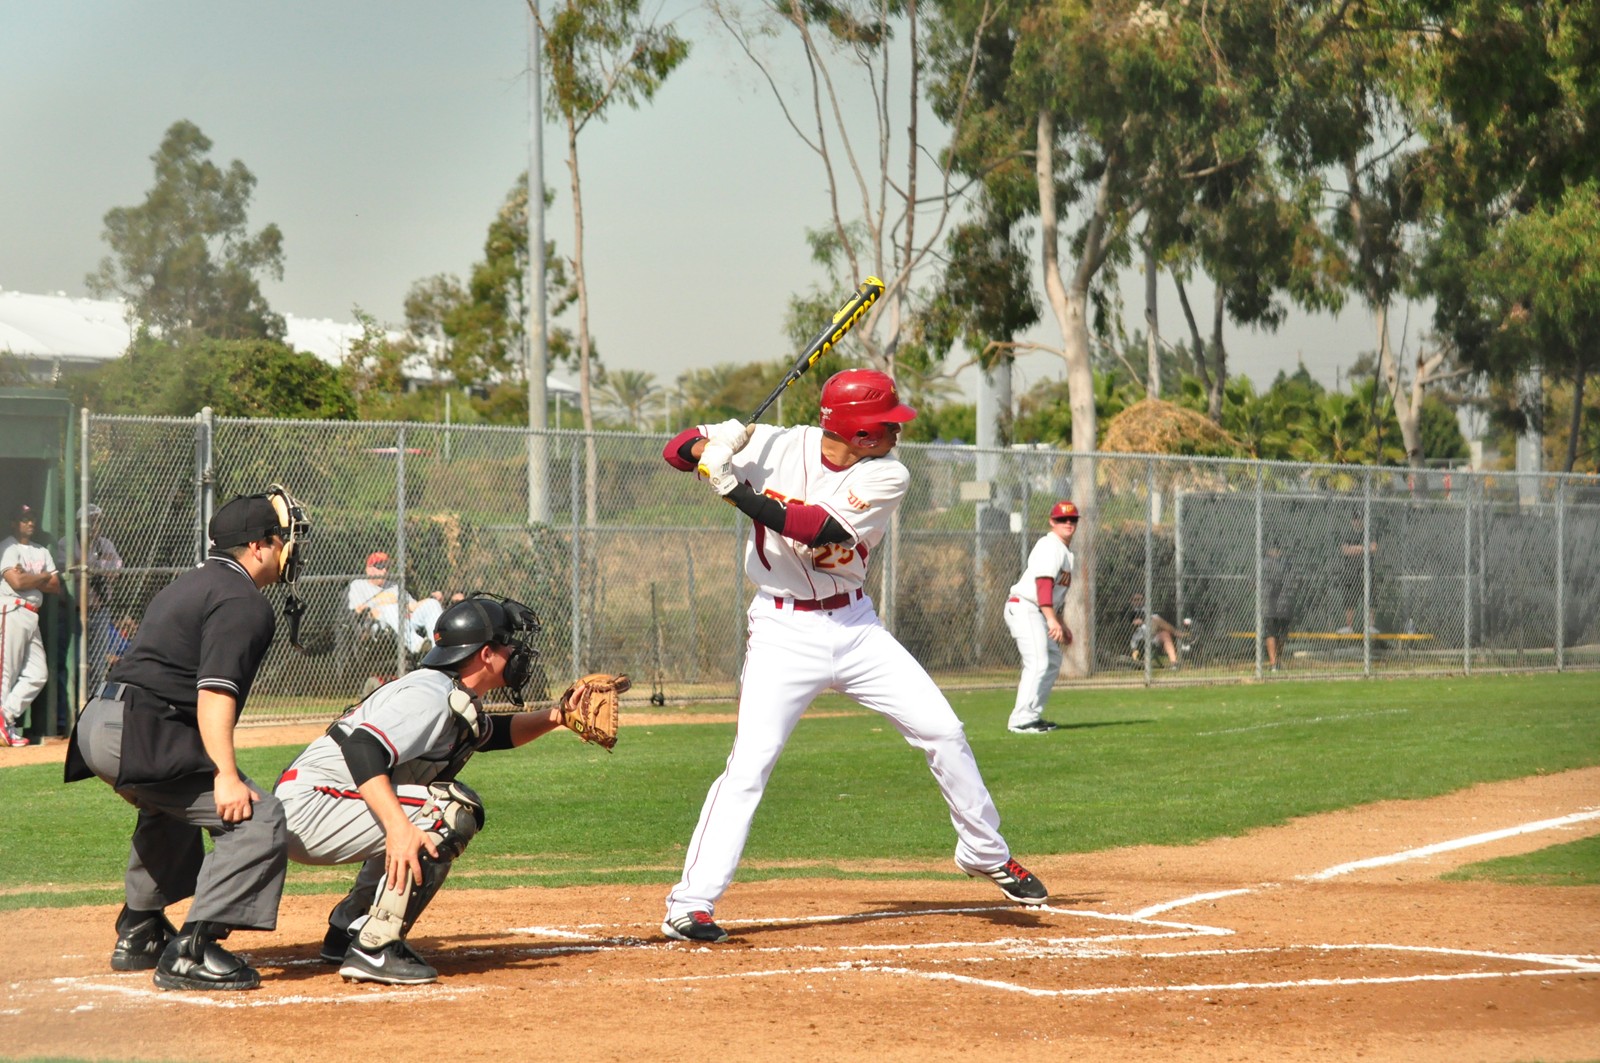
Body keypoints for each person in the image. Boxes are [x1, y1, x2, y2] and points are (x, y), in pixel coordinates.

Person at [657, 367, 1048, 944]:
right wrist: (711, 445)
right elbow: (674, 450)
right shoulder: (775, 444)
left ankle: (983, 851)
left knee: (943, 730)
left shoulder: (887, 473)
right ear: (858, 430)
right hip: (782, 631)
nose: (897, 431)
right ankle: (690, 904)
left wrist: (732, 486)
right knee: (749, 766)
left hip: (856, 625)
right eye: (887, 424)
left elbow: (817, 527)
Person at [62, 486, 311, 991]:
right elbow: (214, 694)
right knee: (258, 817)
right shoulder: (242, 600)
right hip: (138, 729)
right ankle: (192, 951)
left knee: (170, 809)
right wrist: (225, 775)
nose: (289, 547)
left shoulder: (196, 581)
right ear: (258, 546)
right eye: (280, 538)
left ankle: (141, 929)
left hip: (102, 722)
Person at [275, 592, 563, 985]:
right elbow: (363, 746)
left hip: (321, 801)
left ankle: (348, 928)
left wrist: (559, 716)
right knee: (447, 811)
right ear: (485, 654)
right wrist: (397, 826)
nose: (517, 652)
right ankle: (375, 946)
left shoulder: (448, 691)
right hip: (313, 805)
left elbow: (493, 733)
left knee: (422, 807)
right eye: (508, 643)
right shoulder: (432, 694)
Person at [1002, 500, 1079, 734]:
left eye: (1072, 519)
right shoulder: (1050, 546)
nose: (1068, 522)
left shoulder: (1065, 552)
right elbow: (1043, 584)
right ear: (1052, 521)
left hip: (1037, 611)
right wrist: (1051, 620)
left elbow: (1053, 595)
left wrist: (1060, 623)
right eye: (1062, 519)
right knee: (1038, 661)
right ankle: (1021, 720)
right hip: (1025, 607)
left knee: (1052, 659)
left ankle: (1032, 716)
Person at [1, 503, 63, 747]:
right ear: (13, 523)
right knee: (6, 673)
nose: (30, 522)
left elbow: (55, 585)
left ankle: (5, 717)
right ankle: (5, 728)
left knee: (38, 674)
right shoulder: (8, 547)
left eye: (32, 518)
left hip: (32, 614)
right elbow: (16, 582)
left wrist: (30, 577)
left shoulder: (41, 551)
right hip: (12, 610)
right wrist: (42, 576)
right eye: (24, 518)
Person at [347, 551, 425, 654]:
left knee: (432, 605)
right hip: (376, 624)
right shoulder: (358, 585)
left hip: (405, 620)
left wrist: (428, 601)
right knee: (390, 608)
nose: (384, 571)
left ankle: (439, 647)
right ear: (369, 569)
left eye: (387, 567)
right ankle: (415, 644)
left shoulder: (394, 586)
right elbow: (357, 611)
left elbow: (413, 605)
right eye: (380, 566)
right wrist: (382, 603)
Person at [1337, 510, 1377, 634]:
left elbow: (1373, 548)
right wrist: (1364, 548)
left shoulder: (1369, 532)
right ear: (1352, 520)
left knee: (1370, 597)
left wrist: (1355, 548)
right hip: (1351, 571)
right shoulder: (1347, 533)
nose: (1357, 521)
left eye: (1360, 519)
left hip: (1366, 570)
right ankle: (1349, 627)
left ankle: (1370, 626)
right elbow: (1345, 550)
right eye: (1355, 519)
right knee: (1349, 598)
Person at [1129, 591, 1181, 669]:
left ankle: (1174, 663)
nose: (1138, 601)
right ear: (1131, 600)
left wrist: (1145, 621)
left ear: (1144, 600)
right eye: (1135, 600)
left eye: (1140, 599)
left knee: (1165, 634)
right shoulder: (1128, 611)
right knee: (1156, 619)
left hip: (1152, 636)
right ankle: (1177, 633)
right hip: (1139, 638)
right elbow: (1129, 625)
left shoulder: (1147, 609)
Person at [1263, 540, 1293, 672]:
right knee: (1274, 632)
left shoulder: (1285, 564)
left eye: (1275, 549)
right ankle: (1274, 662)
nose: (1274, 552)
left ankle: (1275, 662)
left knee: (1277, 633)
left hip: (1278, 603)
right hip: (1275, 603)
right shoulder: (1265, 563)